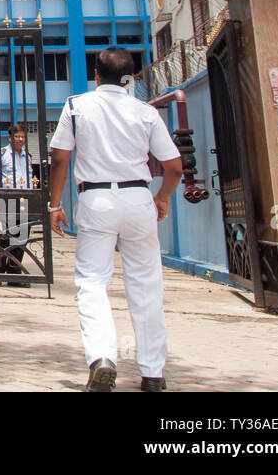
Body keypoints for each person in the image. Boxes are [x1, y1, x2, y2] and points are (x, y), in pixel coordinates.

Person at [48, 47, 183, 392]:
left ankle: (102, 357)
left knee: (92, 282)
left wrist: (54, 205)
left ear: (96, 75)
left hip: (96, 200)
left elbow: (60, 159)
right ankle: (153, 373)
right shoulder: (146, 112)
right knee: (146, 285)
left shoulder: (77, 106)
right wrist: (162, 198)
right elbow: (174, 167)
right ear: (131, 78)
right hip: (139, 198)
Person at [0, 123, 35, 287]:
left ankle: (14, 271)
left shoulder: (27, 157)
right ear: (10, 138)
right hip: (7, 199)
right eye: (17, 136)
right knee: (8, 235)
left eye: (22, 137)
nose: (20, 139)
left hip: (24, 199)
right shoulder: (1, 155)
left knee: (22, 235)